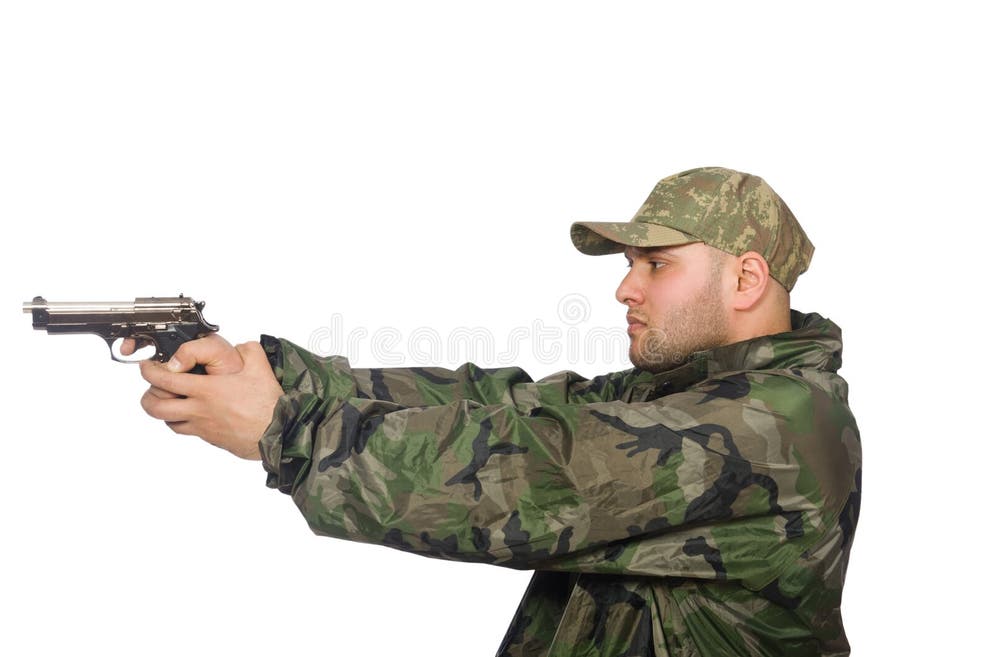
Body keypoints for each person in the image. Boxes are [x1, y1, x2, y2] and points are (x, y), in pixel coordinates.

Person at [132, 167, 862, 656]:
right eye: (627, 266)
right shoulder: (688, 391)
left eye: (657, 263)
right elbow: (501, 405)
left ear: (747, 277)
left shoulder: (777, 425)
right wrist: (282, 376)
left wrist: (286, 428)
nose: (626, 290)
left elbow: (530, 475)